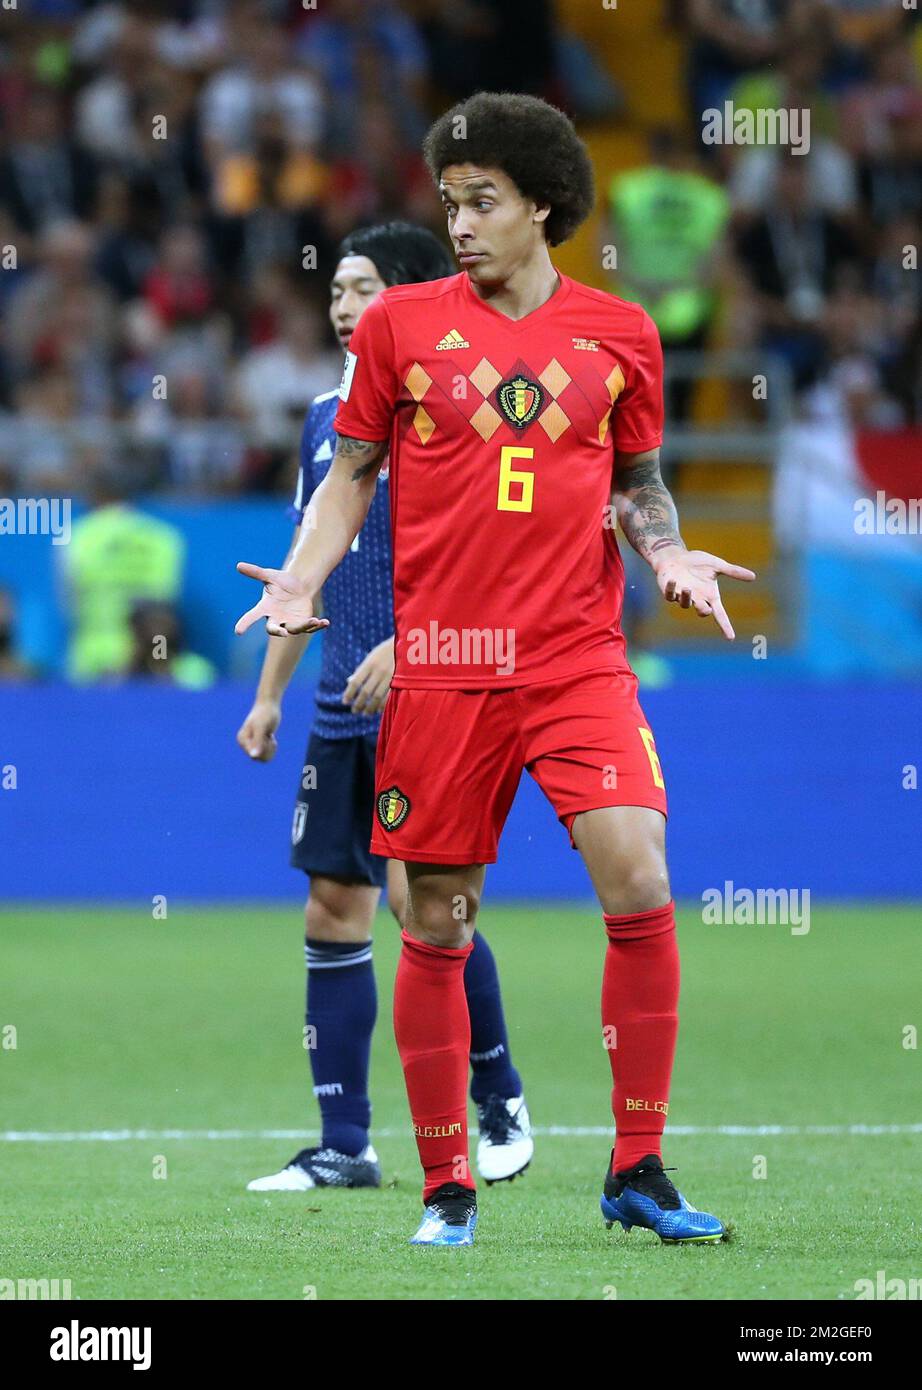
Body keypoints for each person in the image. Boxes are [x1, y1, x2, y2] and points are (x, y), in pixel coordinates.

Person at [235, 94, 755, 1246]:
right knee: (436, 915)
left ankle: (637, 1166)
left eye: (483, 203)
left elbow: (639, 480)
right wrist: (299, 580)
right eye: (452, 203)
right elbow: (351, 475)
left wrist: (663, 550)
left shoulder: (620, 333)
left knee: (640, 871)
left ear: (543, 208)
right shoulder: (400, 329)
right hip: (444, 663)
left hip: (575, 658)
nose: (460, 224)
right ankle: (446, 1186)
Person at [237, 221, 533, 1193]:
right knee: (332, 908)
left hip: (436, 690)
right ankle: (345, 1143)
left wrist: (413, 646)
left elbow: (496, 562)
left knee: (424, 904)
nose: (342, 306)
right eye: (335, 291)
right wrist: (270, 692)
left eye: (362, 288)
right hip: (337, 705)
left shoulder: (467, 410)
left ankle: (499, 1100)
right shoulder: (327, 416)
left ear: (410, 298)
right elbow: (302, 567)